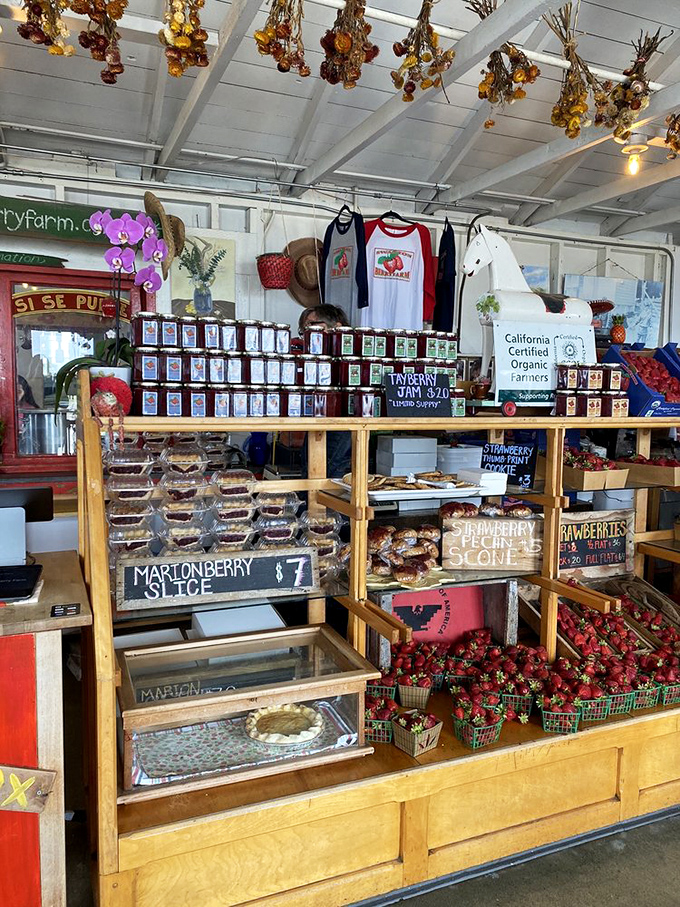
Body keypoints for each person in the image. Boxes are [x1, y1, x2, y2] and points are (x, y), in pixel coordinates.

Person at [298, 304, 352, 479]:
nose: (308, 332)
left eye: (313, 325)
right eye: (304, 329)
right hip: (316, 422)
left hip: (340, 423)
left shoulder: (347, 358)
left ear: (337, 327)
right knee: (310, 470)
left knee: (331, 470)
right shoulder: (312, 358)